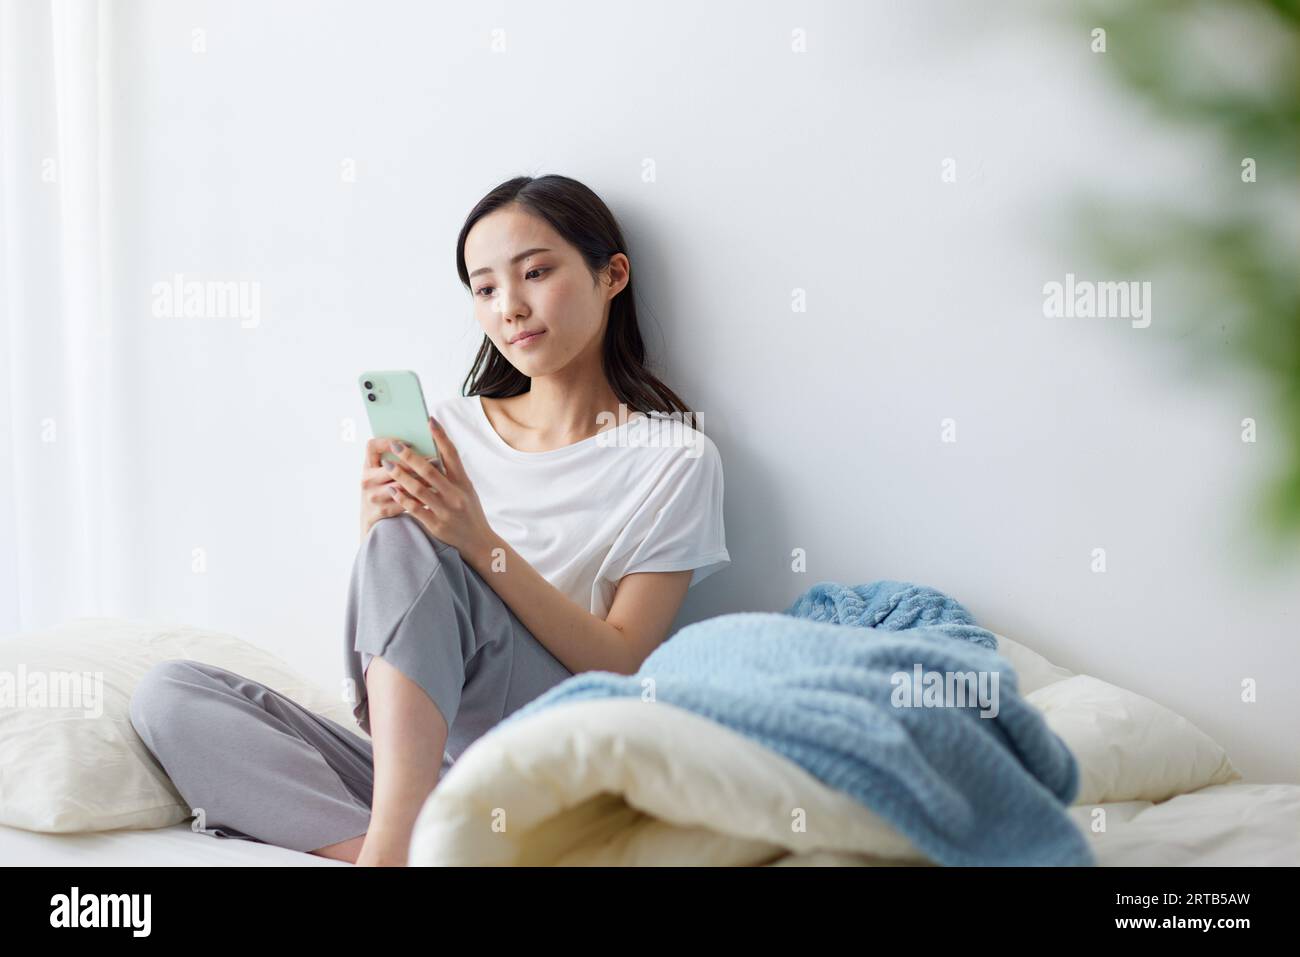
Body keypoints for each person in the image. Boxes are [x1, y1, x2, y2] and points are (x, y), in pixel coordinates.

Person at [128, 173, 730, 866]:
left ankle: (389, 851)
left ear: (612, 274)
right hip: (421, 760)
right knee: (170, 695)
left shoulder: (675, 457)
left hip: (550, 736)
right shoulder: (447, 426)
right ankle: (416, 845)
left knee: (415, 542)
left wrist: (476, 540)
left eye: (535, 272)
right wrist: (376, 531)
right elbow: (402, 615)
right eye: (485, 288)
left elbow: (625, 662)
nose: (511, 306)